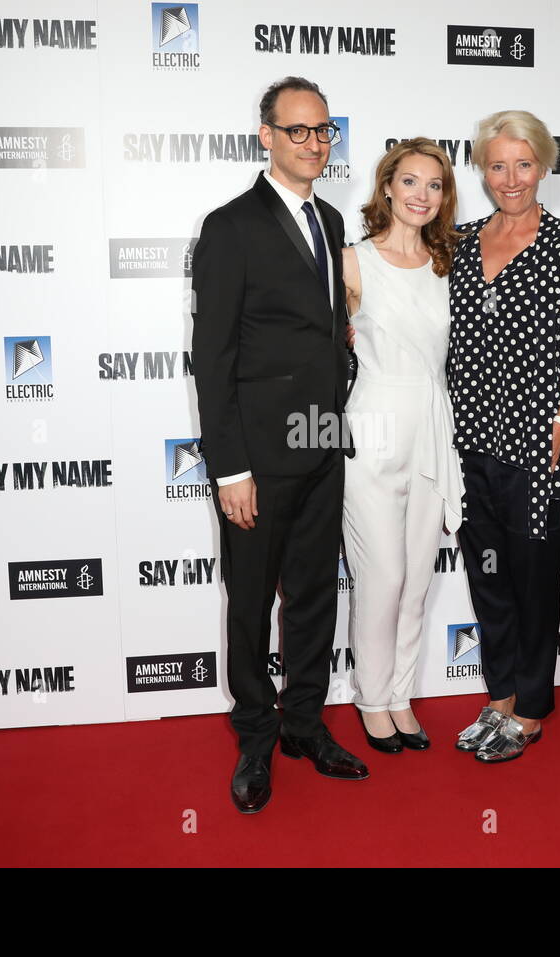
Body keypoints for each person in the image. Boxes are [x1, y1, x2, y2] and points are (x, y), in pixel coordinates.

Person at [191, 76, 369, 814]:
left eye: (323, 130)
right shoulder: (230, 226)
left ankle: (305, 724)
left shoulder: (331, 220)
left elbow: (329, 331)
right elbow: (214, 355)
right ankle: (255, 740)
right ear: (265, 135)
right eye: (298, 130)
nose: (314, 142)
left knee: (315, 597)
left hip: (323, 443)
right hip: (256, 460)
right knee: (251, 604)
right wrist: (229, 465)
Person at [447, 110, 560, 763]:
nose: (510, 178)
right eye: (496, 164)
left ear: (543, 166)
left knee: (533, 578)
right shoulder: (455, 241)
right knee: (488, 577)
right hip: (465, 441)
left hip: (538, 446)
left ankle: (531, 707)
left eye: (522, 163)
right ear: (481, 169)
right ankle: (501, 694)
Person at [339, 139, 465, 754]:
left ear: (444, 197)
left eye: (434, 185)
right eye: (409, 181)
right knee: (381, 576)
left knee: (417, 579)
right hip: (374, 425)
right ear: (387, 186)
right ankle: (371, 698)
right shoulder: (353, 261)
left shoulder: (450, 263)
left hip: (433, 428)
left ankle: (401, 695)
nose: (421, 195)